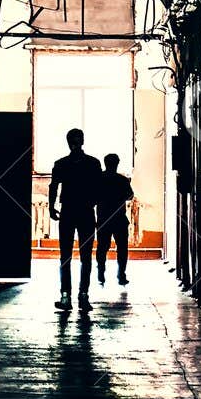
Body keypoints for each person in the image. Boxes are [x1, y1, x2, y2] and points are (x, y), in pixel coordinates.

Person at [48, 129, 102, 310]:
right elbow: (97, 188)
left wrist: (51, 206)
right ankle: (80, 296)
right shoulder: (92, 163)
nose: (76, 143)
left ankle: (69, 296)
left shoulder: (62, 164)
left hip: (72, 211)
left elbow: (54, 186)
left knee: (69, 256)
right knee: (80, 256)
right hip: (82, 211)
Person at [96, 153, 133, 286]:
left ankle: (101, 273)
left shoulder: (99, 179)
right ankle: (121, 274)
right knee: (122, 248)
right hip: (119, 219)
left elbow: (93, 197)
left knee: (102, 248)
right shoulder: (122, 180)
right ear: (117, 164)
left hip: (103, 218)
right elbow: (130, 196)